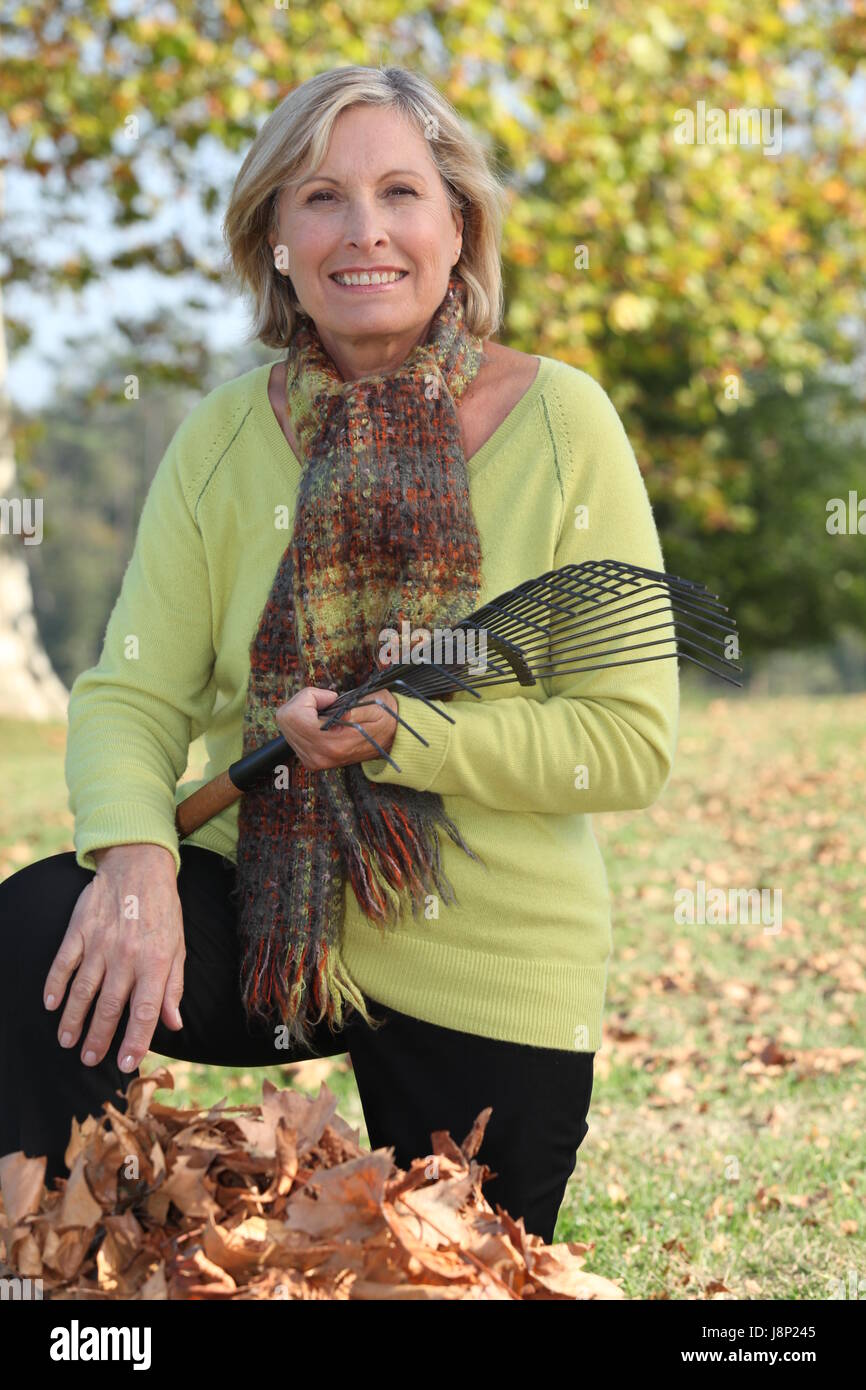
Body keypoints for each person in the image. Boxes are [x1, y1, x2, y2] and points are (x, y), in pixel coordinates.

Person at [0, 65, 679, 1247]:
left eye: (400, 192)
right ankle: (64, 1267)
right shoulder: (222, 434)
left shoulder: (564, 424)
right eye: (320, 197)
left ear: (456, 226)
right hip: (264, 910)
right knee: (36, 927)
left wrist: (402, 734)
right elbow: (131, 690)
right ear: (274, 237)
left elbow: (626, 745)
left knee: (445, 1276)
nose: (363, 231)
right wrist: (134, 858)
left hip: (481, 938)